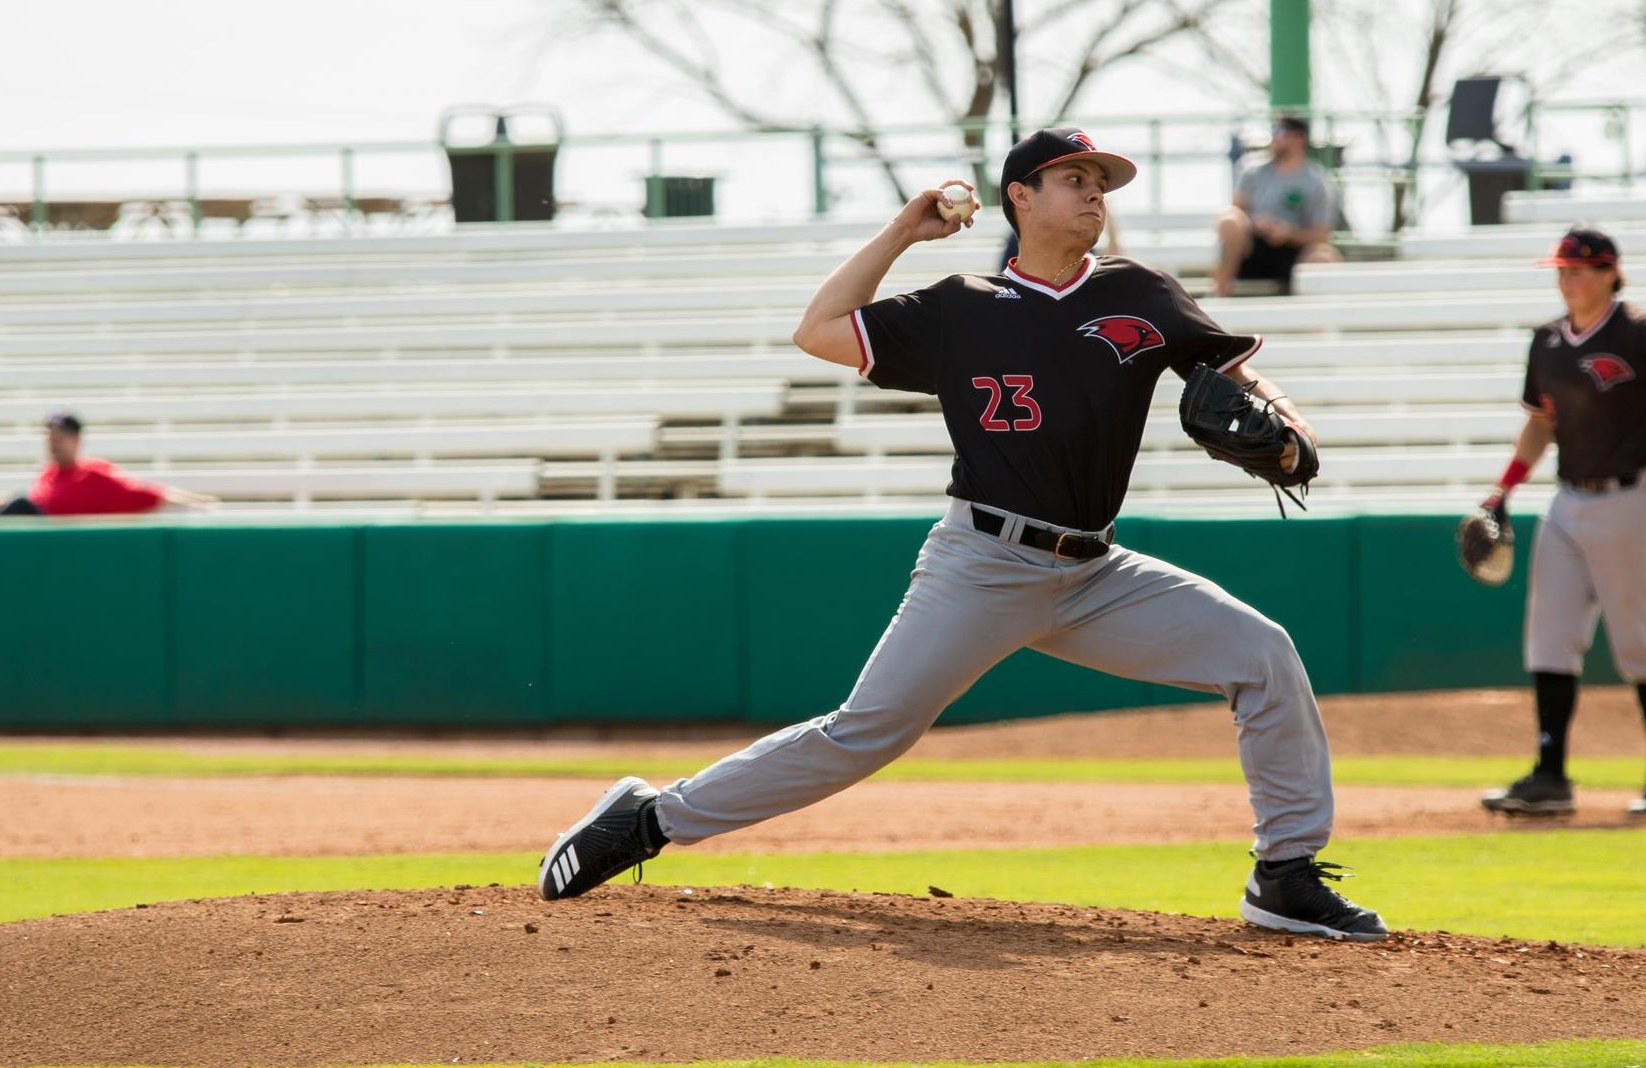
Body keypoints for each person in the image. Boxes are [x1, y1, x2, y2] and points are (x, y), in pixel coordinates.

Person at [535, 127, 1388, 943]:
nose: (1094, 195)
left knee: (1263, 654)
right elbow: (819, 329)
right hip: (983, 561)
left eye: (1101, 184)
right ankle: (649, 819)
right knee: (866, 732)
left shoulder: (1140, 292)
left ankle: (1285, 875)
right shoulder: (961, 307)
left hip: (1097, 571)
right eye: (1074, 180)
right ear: (1020, 195)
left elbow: (1234, 374)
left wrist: (1292, 431)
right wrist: (905, 230)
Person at [1478, 227, 1646, 818]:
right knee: (1549, 635)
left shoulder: (1643, 332)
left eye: (1579, 270)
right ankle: (1549, 776)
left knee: (1641, 640)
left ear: (1609, 273)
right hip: (1568, 498)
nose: (1568, 280)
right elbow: (1542, 423)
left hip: (1634, 497)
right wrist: (1504, 488)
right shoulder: (1546, 341)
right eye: (1562, 271)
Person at [1212, 115, 1339, 297]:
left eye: (1280, 132)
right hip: (1251, 249)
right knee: (1229, 220)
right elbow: (1237, 208)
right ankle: (1219, 299)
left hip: (1293, 253)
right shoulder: (1251, 170)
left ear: (1299, 138)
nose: (1273, 137)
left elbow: (1321, 234)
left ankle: (1310, 321)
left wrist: (1288, 234)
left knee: (1324, 256)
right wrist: (1257, 224)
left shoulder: (1318, 181)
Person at [15, 411, 218, 515]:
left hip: (65, 550)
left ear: (76, 439)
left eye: (59, 439)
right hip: (37, 546)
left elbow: (148, 494)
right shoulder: (48, 473)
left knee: (20, 506)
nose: (53, 445)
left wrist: (201, 503)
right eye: (50, 438)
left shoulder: (92, 475)